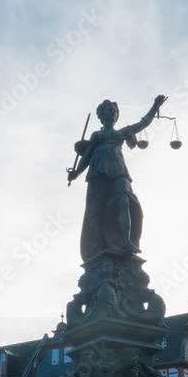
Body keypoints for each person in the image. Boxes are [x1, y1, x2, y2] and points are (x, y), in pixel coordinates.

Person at [68, 95, 167, 262]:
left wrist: (155, 106)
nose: (112, 113)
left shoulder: (122, 133)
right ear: (101, 115)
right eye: (109, 110)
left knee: (126, 201)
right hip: (98, 171)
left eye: (114, 111)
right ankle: (97, 246)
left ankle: (124, 241)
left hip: (119, 170)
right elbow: (87, 155)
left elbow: (143, 123)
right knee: (97, 209)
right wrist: (76, 172)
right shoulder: (97, 136)